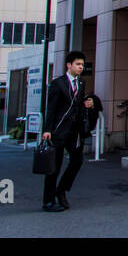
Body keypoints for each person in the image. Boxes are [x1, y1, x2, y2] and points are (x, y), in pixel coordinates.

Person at [41, 50, 94, 212]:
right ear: (68, 65)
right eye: (78, 64)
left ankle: (62, 190)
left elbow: (77, 104)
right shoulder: (58, 84)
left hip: (75, 131)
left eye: (82, 65)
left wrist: (87, 103)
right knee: (53, 167)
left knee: (77, 161)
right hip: (59, 130)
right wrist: (47, 129)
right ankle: (48, 201)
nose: (80, 68)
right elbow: (51, 108)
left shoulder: (81, 84)